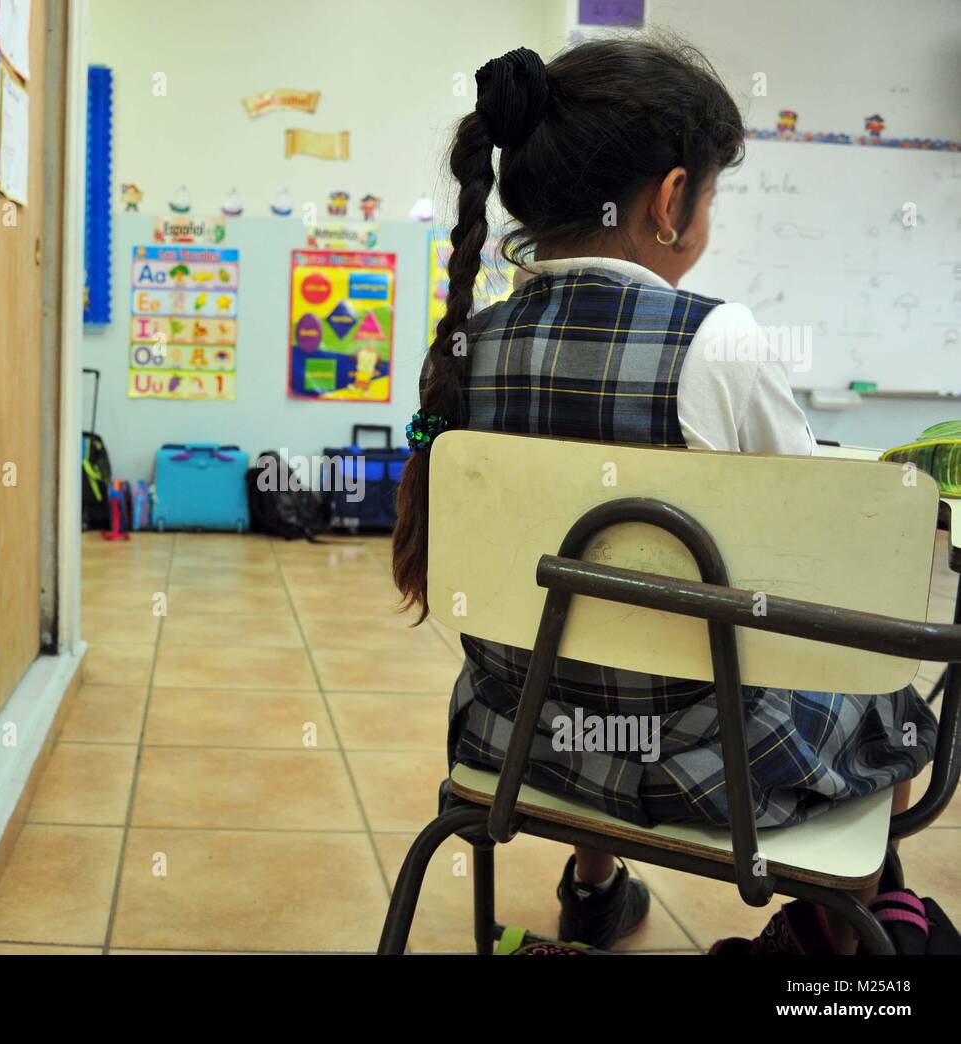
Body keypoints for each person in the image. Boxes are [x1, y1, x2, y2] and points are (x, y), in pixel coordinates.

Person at [391, 38, 936, 953]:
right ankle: (844, 941)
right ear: (672, 199)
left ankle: (595, 888)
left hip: (514, 738)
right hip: (701, 766)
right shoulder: (718, 342)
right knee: (889, 694)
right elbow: (816, 553)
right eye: (712, 198)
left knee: (597, 627)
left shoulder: (466, 348)